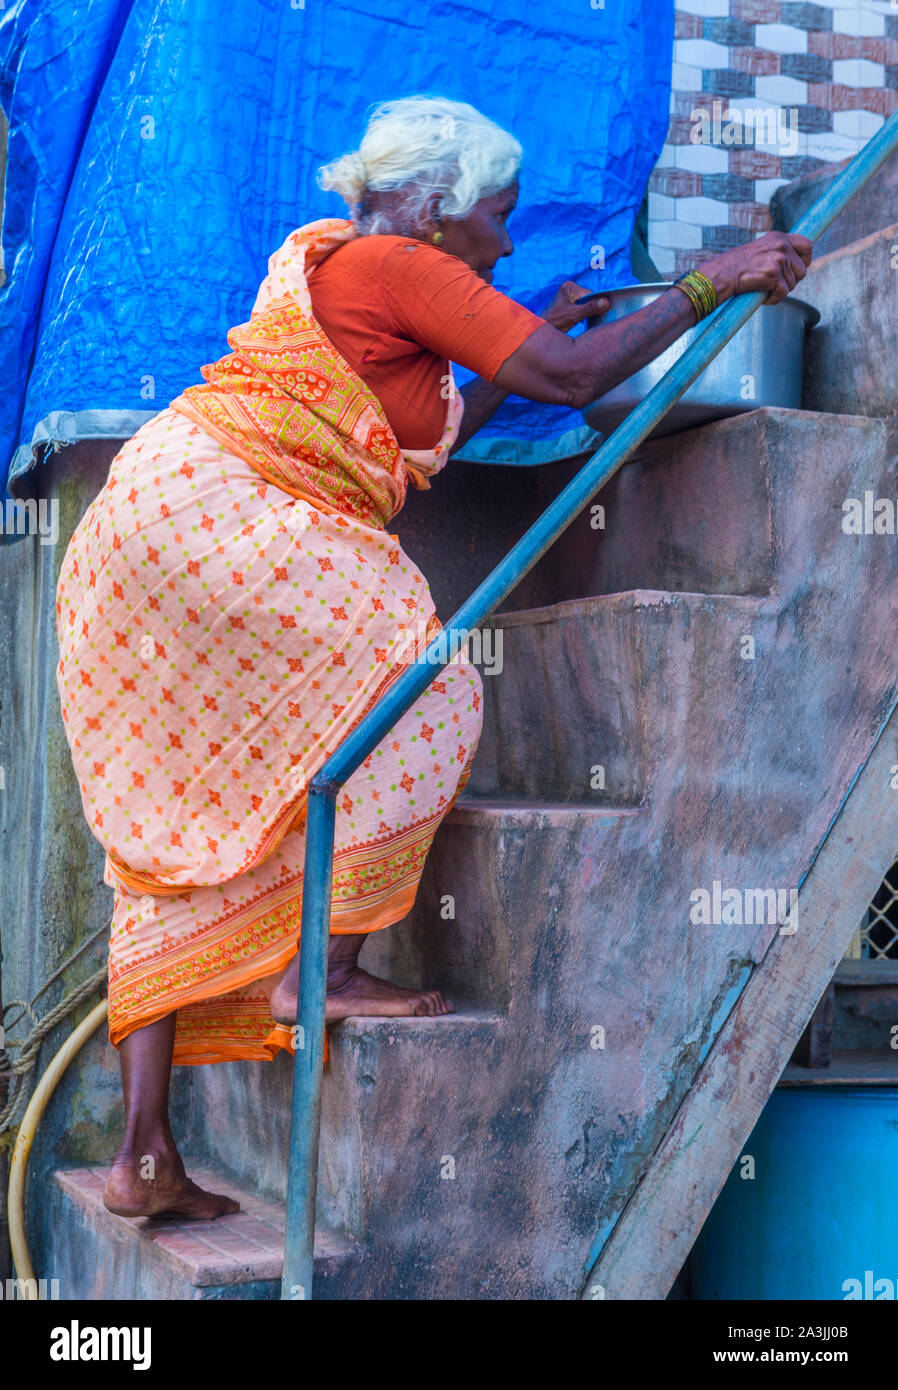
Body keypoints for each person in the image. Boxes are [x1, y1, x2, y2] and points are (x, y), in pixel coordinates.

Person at [56, 94, 812, 1220]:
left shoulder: (353, 272)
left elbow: (446, 424)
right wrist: (715, 281)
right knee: (429, 689)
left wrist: (529, 323)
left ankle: (145, 1153)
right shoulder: (407, 264)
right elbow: (570, 378)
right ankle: (325, 970)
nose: (507, 241)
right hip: (230, 514)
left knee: (185, 823)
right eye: (499, 218)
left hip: (155, 520)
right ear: (439, 207)